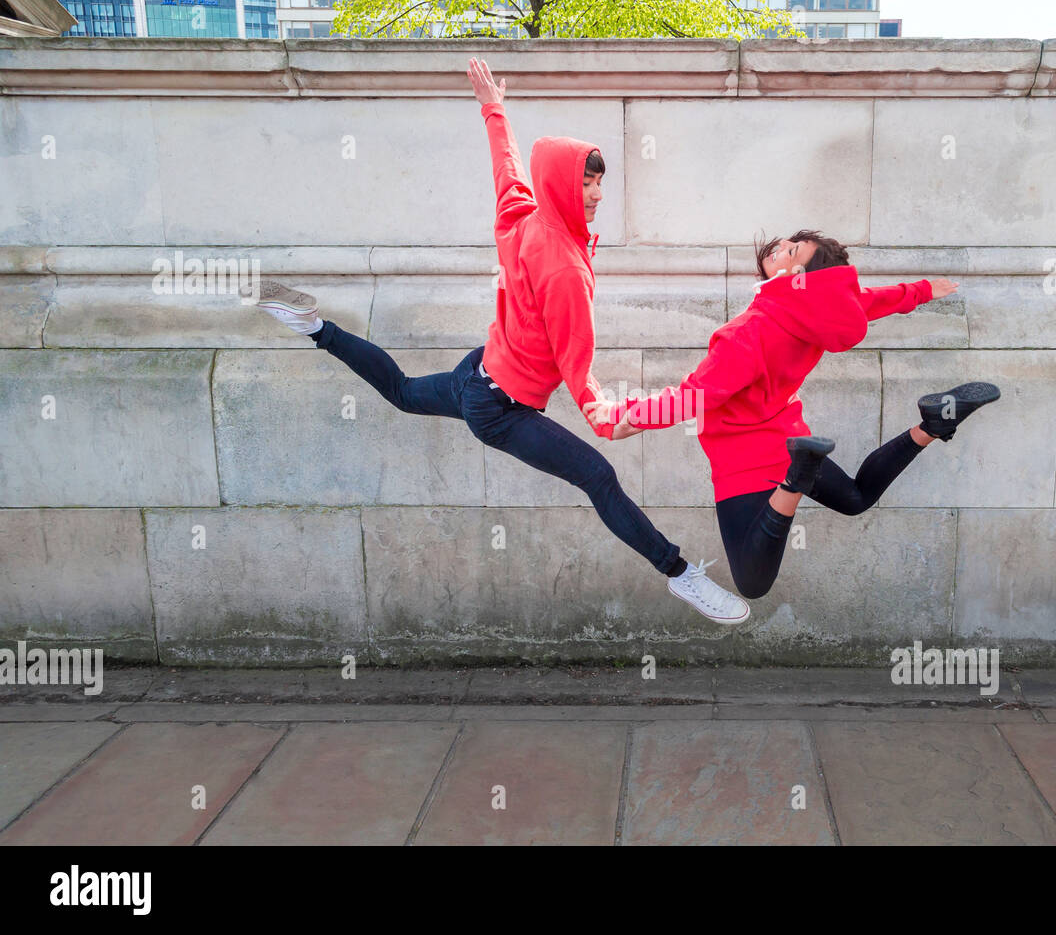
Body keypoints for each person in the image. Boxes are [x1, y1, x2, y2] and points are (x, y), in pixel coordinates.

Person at [248, 57, 752, 625]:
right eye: (585, 182)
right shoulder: (565, 272)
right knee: (598, 477)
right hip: (502, 412)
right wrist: (608, 416)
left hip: (475, 375)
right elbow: (575, 365)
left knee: (402, 391)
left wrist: (493, 107)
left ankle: (313, 327)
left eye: (599, 181)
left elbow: (507, 167)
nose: (595, 194)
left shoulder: (522, 216)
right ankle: (682, 576)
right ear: (563, 183)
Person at [585, 230, 1001, 600]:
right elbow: (866, 302)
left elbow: (693, 398)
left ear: (795, 277)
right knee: (856, 499)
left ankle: (795, 480)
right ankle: (933, 424)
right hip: (790, 440)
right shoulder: (814, 312)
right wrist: (923, 290)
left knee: (751, 584)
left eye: (792, 251)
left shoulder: (749, 332)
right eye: (790, 242)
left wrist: (621, 418)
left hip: (745, 461)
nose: (781, 245)